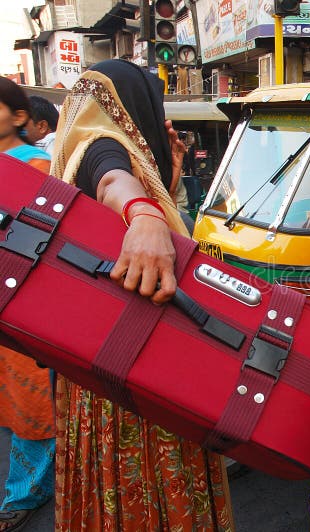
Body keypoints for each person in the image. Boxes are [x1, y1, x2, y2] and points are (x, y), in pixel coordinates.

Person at [49, 60, 233, 531]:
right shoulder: (101, 145)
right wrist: (145, 213)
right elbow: (111, 179)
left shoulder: (83, 149)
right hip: (139, 376)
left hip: (98, 364)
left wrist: (165, 185)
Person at [0, 77, 55, 532]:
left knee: (31, 405)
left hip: (21, 298)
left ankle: (26, 492)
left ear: (19, 117)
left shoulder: (37, 165)